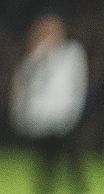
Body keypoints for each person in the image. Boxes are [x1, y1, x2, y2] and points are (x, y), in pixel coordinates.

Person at [10, 14, 89, 194]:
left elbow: (76, 83)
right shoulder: (35, 56)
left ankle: (79, 189)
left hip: (65, 115)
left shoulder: (71, 52)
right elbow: (24, 82)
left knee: (73, 161)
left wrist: (74, 110)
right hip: (43, 117)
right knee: (46, 162)